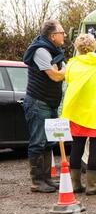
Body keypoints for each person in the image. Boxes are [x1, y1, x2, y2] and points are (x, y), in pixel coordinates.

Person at [61, 34, 96, 195]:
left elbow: (68, 81)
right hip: (94, 111)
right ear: (94, 46)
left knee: (77, 147)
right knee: (95, 148)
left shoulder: (71, 65)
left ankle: (75, 184)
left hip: (76, 111)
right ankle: (92, 185)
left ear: (77, 47)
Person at [22, 20, 66, 193]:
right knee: (38, 142)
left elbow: (61, 72)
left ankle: (47, 178)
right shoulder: (40, 50)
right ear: (52, 36)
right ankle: (37, 181)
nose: (64, 35)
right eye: (61, 32)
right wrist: (63, 72)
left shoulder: (55, 51)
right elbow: (55, 76)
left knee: (48, 142)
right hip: (38, 102)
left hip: (50, 103)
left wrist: (61, 71)